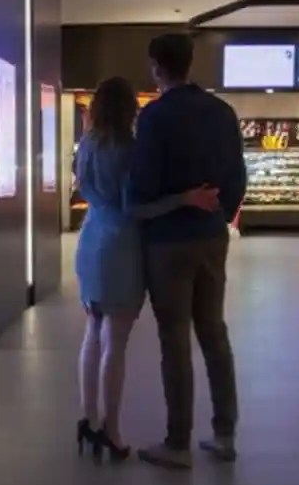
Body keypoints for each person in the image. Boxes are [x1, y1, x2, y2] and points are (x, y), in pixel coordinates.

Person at [75, 76, 221, 463]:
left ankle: (88, 420)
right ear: (129, 111)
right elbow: (136, 207)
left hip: (90, 240)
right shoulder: (129, 150)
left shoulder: (86, 145)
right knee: (116, 341)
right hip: (122, 247)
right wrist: (184, 198)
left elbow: (84, 190)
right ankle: (113, 431)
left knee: (92, 332)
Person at [130, 34, 246, 470]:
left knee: (174, 339)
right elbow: (238, 174)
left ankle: (178, 442)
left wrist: (166, 206)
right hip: (211, 237)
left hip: (167, 242)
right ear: (191, 64)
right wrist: (218, 212)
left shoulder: (155, 118)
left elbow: (140, 191)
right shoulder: (222, 112)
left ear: (156, 66)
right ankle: (224, 433)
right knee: (214, 331)